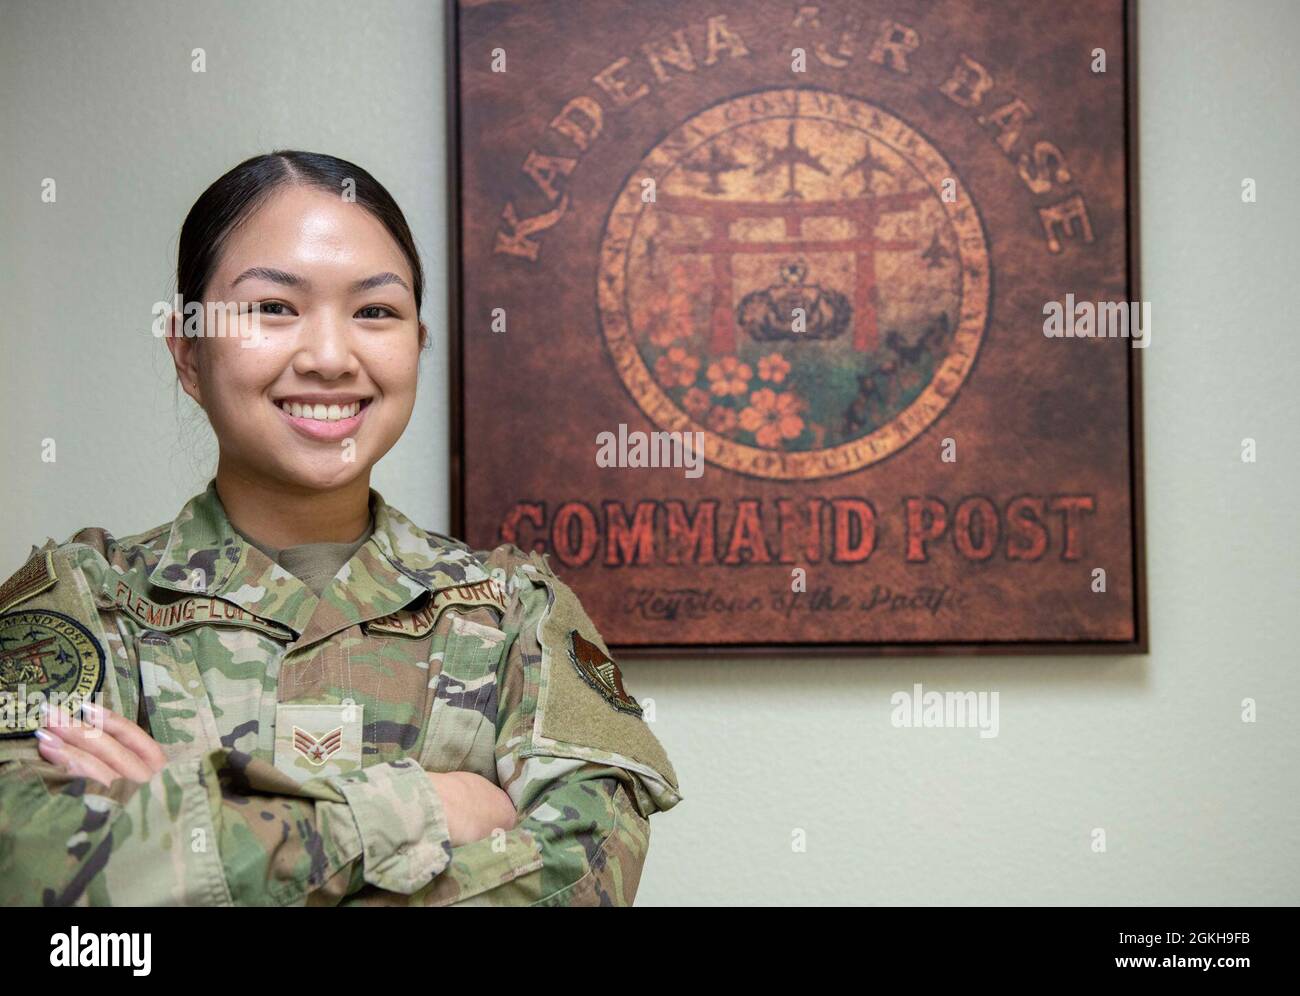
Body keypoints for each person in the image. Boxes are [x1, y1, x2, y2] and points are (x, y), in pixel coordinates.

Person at [0, 150, 680, 906]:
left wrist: (187, 815)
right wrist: (427, 809)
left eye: (375, 312)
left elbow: (586, 878)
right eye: (273, 308)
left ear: (417, 344)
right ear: (188, 352)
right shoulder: (86, 605)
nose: (329, 357)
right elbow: (36, 879)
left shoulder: (515, 609)